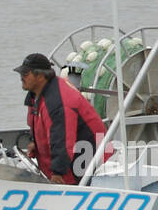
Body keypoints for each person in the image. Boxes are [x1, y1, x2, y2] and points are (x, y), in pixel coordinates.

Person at [16, 52, 111, 184]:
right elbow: (40, 125)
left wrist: (57, 173)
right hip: (73, 158)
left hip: (94, 162)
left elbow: (63, 139)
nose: (21, 77)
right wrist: (34, 142)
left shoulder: (59, 101)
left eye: (25, 74)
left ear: (40, 76)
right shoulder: (36, 95)